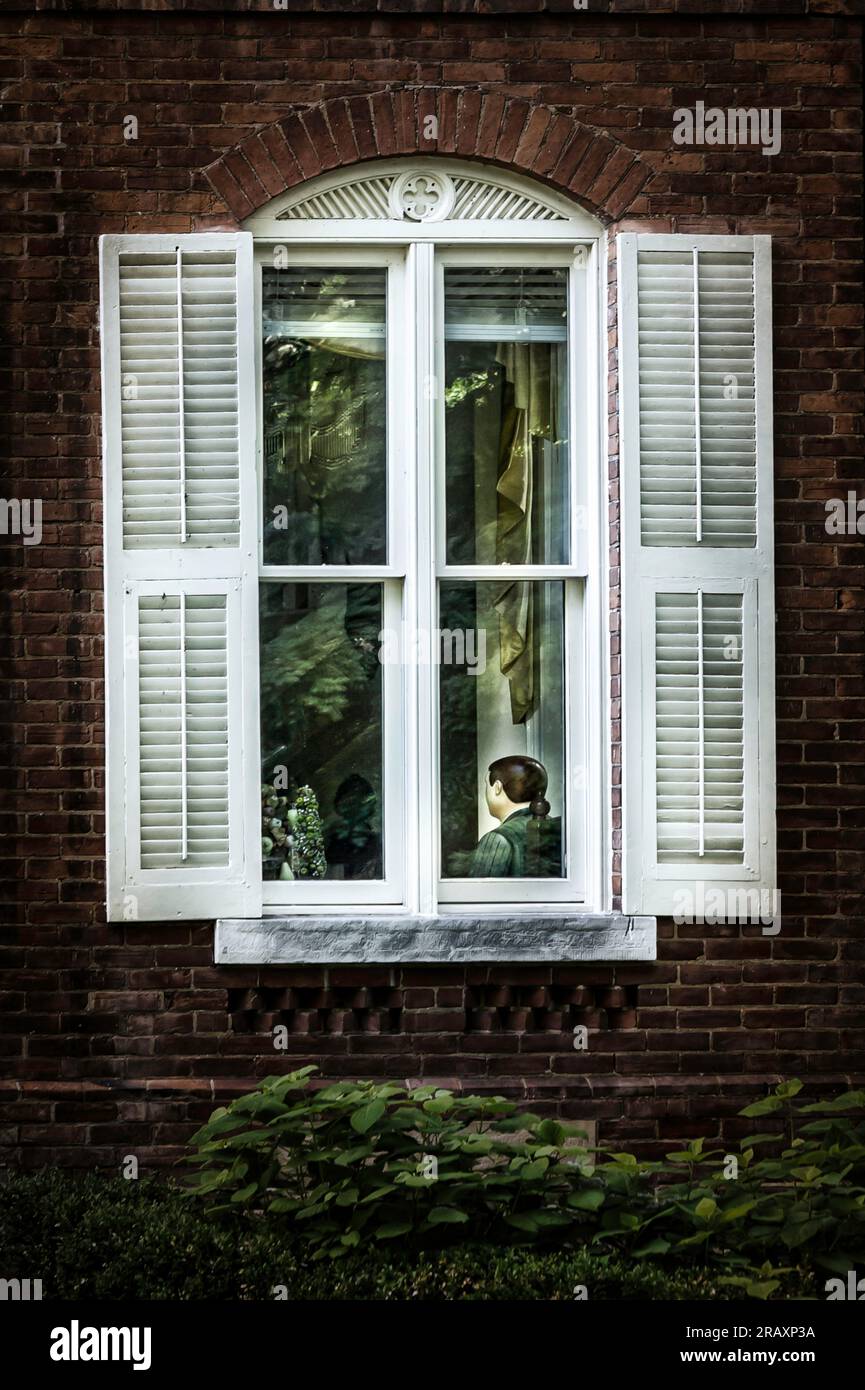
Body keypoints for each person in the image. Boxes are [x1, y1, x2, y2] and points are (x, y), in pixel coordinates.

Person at [468, 755, 560, 877]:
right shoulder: (557, 829)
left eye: (486, 785)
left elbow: (480, 893)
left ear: (497, 787)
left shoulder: (498, 838)